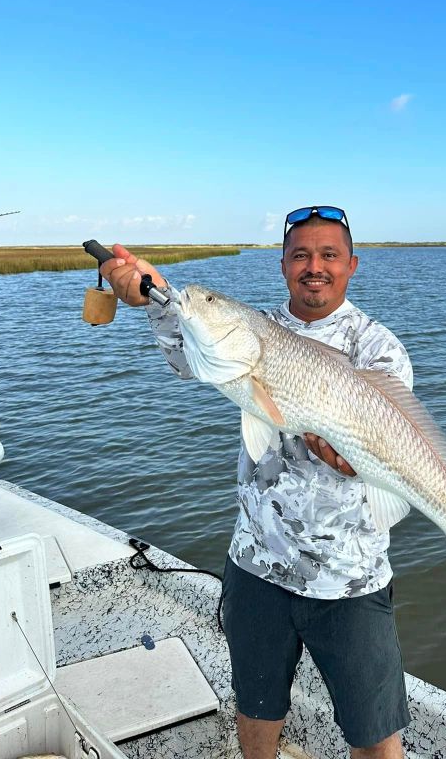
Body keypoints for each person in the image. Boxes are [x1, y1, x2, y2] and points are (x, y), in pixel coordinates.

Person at [101, 206, 413, 759]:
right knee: (256, 706)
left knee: (374, 729)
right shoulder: (255, 326)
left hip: (348, 577)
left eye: (328, 255)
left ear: (351, 266)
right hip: (255, 566)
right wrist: (152, 298)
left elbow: (389, 454)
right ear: (283, 266)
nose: (314, 266)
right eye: (300, 255)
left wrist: (352, 460)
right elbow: (189, 353)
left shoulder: (378, 347)